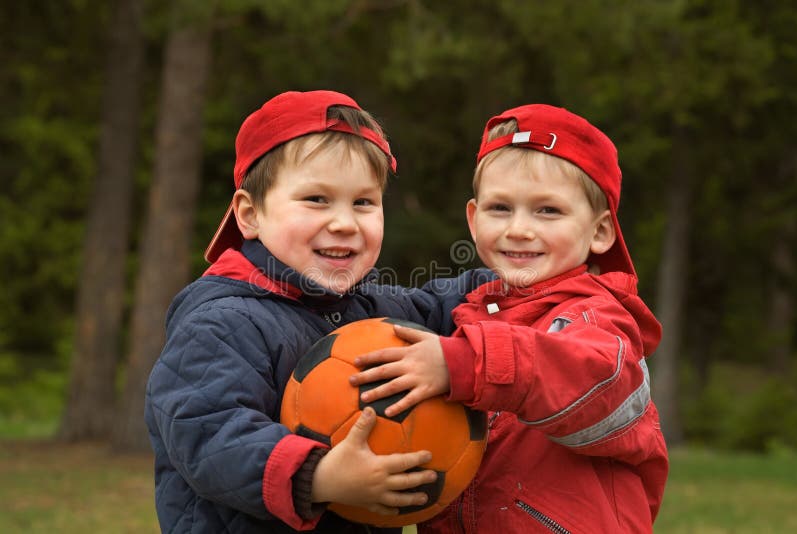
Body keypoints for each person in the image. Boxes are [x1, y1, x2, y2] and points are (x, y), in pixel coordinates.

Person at [144, 90, 487, 533]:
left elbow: (445, 301)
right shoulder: (221, 322)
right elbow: (210, 434)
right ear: (250, 215)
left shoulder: (370, 309)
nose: (344, 222)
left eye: (363, 202)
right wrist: (320, 476)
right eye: (317, 200)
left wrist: (531, 278)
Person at [350, 103, 670, 533]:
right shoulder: (472, 314)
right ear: (473, 217)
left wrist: (464, 364)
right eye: (500, 208)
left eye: (548, 211)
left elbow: (593, 377)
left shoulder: (595, 315)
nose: (519, 228)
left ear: (600, 232)